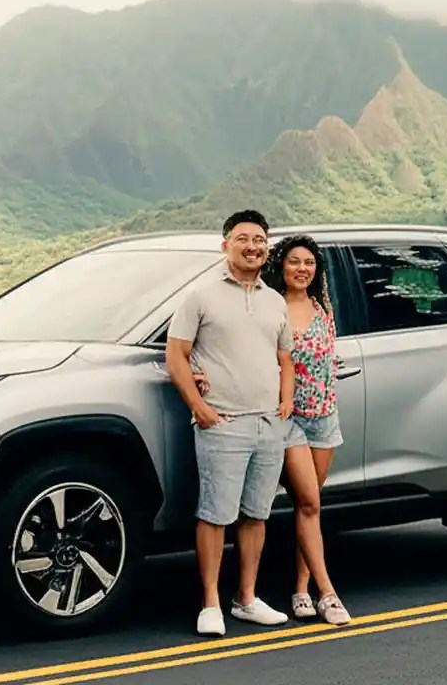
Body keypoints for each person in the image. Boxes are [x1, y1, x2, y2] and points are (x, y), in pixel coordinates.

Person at [193, 234, 352, 626]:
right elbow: (239, 347)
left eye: (309, 263)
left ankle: (302, 588)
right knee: (308, 500)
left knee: (309, 505)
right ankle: (328, 592)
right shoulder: (270, 305)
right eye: (294, 262)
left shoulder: (323, 306)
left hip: (324, 415)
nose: (302, 269)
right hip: (286, 417)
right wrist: (199, 372)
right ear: (281, 265)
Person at [165, 209, 295, 637]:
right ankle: (210, 603)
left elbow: (284, 357)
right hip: (223, 421)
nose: (253, 246)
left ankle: (247, 598)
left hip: (268, 424)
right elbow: (176, 355)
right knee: (215, 514)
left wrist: (285, 402)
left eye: (260, 239)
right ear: (226, 245)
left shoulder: (274, 300)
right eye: (243, 238)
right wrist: (198, 407)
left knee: (257, 514)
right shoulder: (201, 296)